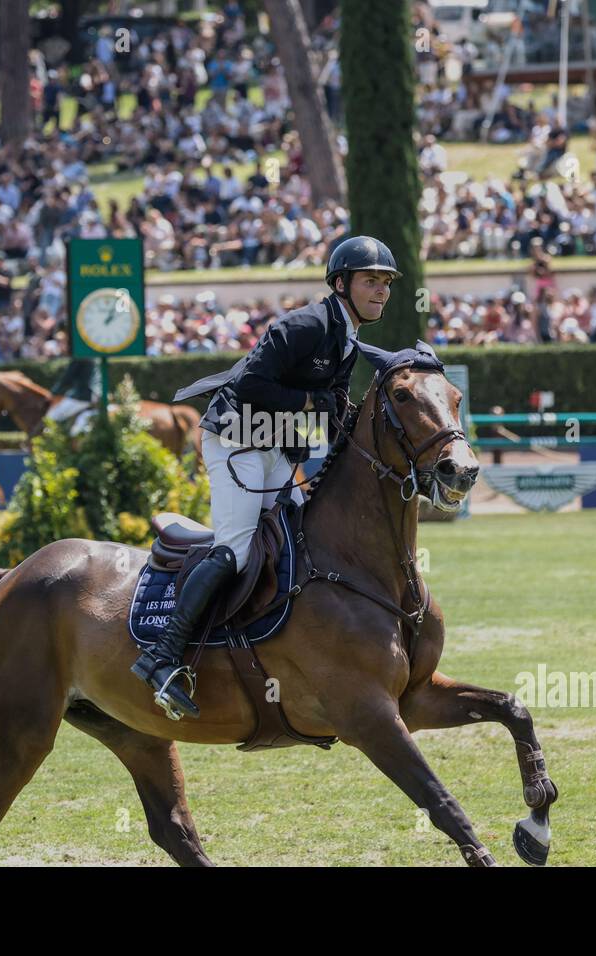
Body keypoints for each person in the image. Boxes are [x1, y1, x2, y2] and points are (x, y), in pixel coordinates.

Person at [132, 235, 400, 719]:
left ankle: (274, 640)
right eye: (370, 281)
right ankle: (163, 655)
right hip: (234, 435)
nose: (380, 291)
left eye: (385, 283)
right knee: (236, 548)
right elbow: (252, 382)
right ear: (341, 284)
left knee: (296, 529)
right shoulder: (305, 324)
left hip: (270, 439)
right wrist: (305, 407)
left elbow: (334, 405)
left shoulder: (347, 340)